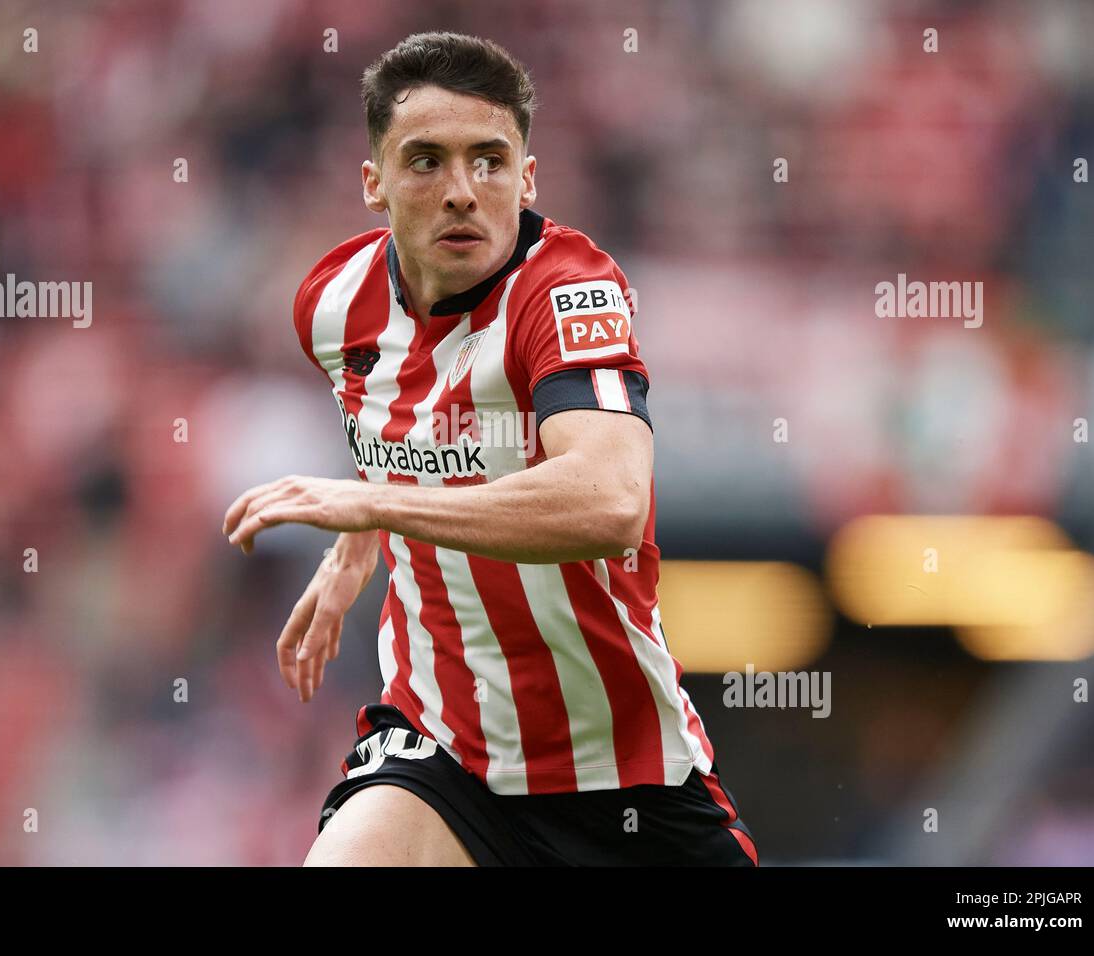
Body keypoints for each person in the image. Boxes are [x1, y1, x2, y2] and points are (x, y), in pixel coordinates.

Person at [223, 31, 757, 867]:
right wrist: (356, 547)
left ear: (528, 178)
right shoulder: (330, 306)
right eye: (426, 161)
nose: (462, 192)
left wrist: (375, 507)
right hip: (443, 744)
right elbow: (398, 425)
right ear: (375, 184)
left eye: (490, 160)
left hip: (621, 774)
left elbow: (609, 502)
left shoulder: (569, 293)